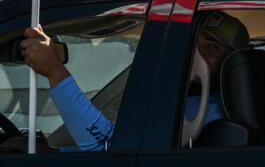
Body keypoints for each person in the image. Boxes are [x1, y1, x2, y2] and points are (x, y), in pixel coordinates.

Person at [20, 12, 248, 151]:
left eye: (212, 47)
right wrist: (50, 153)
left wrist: (54, 70)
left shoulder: (206, 110)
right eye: (193, 43)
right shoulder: (190, 100)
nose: (196, 54)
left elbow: (104, 145)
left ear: (235, 63)